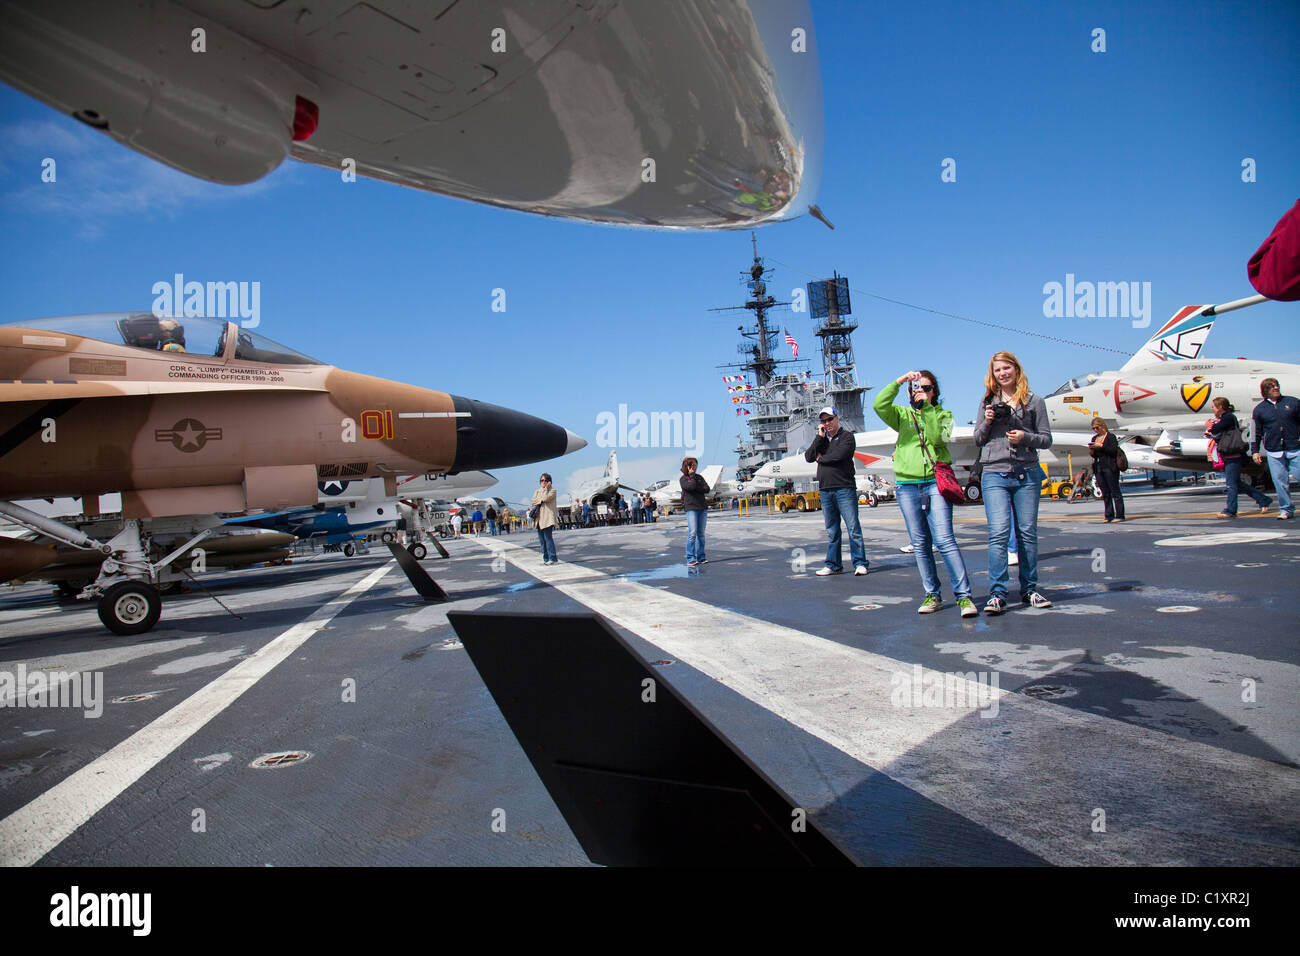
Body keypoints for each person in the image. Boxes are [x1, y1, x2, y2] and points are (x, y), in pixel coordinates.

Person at [873, 371, 976, 616]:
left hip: (934, 482)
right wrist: (898, 382)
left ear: (935, 392)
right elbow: (879, 404)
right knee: (920, 543)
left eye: (927, 388)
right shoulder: (901, 416)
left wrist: (927, 409)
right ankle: (932, 595)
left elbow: (937, 438)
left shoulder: (943, 415)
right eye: (918, 388)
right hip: (907, 485)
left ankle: (964, 597)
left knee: (944, 539)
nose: (922, 391)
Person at [973, 351, 1053, 614]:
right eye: (997, 370)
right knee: (998, 534)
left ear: (1016, 370)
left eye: (1007, 368)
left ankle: (1030, 588)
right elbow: (978, 439)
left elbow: (1046, 438)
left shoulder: (1034, 402)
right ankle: (998, 593)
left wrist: (1024, 437)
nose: (1002, 373)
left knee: (1027, 533)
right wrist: (987, 421)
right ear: (992, 375)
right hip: (995, 473)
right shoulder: (987, 401)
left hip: (1026, 472)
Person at [804, 406, 869, 576]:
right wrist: (819, 438)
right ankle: (833, 565)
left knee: (853, 528)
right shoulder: (822, 440)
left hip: (844, 488)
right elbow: (808, 457)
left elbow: (840, 455)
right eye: (823, 421)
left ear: (837, 419)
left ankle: (860, 563)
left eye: (829, 419)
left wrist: (821, 459)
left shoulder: (847, 437)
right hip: (825, 490)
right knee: (832, 530)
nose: (827, 423)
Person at [1207, 397, 1270, 517]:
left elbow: (1215, 429)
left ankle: (1231, 510)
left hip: (1232, 455)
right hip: (1231, 455)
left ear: (1220, 407)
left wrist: (1210, 426)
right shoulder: (1228, 418)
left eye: (1213, 407)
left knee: (1231, 484)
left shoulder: (1228, 417)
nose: (1212, 409)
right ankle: (1263, 500)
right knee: (1236, 482)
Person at [1250, 378, 1300, 519]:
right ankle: (1286, 509)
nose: (1276, 388)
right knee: (1280, 482)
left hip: (1295, 448)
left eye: (1277, 385)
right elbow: (1255, 432)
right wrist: (1255, 451)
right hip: (1274, 451)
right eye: (1272, 386)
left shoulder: (1293, 402)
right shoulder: (1259, 410)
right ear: (1265, 391)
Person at [1088, 417, 1125, 522]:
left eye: (1097, 427)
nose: (1095, 430)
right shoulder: (1094, 438)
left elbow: (1113, 451)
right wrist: (1092, 450)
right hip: (1099, 466)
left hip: (1110, 465)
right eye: (1093, 428)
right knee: (1105, 492)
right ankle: (1108, 515)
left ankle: (1120, 515)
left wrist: (1101, 446)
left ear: (1102, 426)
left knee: (1115, 491)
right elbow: (1094, 455)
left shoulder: (1110, 437)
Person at [680, 457, 711, 567]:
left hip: (702, 507)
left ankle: (701, 556)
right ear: (687, 466)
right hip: (691, 508)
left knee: (701, 534)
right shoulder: (683, 479)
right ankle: (690, 558)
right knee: (692, 533)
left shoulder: (700, 477)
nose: (695, 467)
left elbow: (707, 489)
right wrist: (692, 477)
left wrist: (696, 486)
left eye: (696, 465)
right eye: (692, 465)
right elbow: (690, 486)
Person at [531, 474, 558, 563]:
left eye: (546, 480)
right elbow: (533, 501)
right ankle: (546, 558)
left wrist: (546, 489)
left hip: (547, 518)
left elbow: (546, 498)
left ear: (549, 481)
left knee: (548, 538)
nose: (543, 482)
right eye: (542, 480)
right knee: (542, 540)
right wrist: (540, 500)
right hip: (538, 518)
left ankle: (552, 558)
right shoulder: (537, 491)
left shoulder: (553, 491)